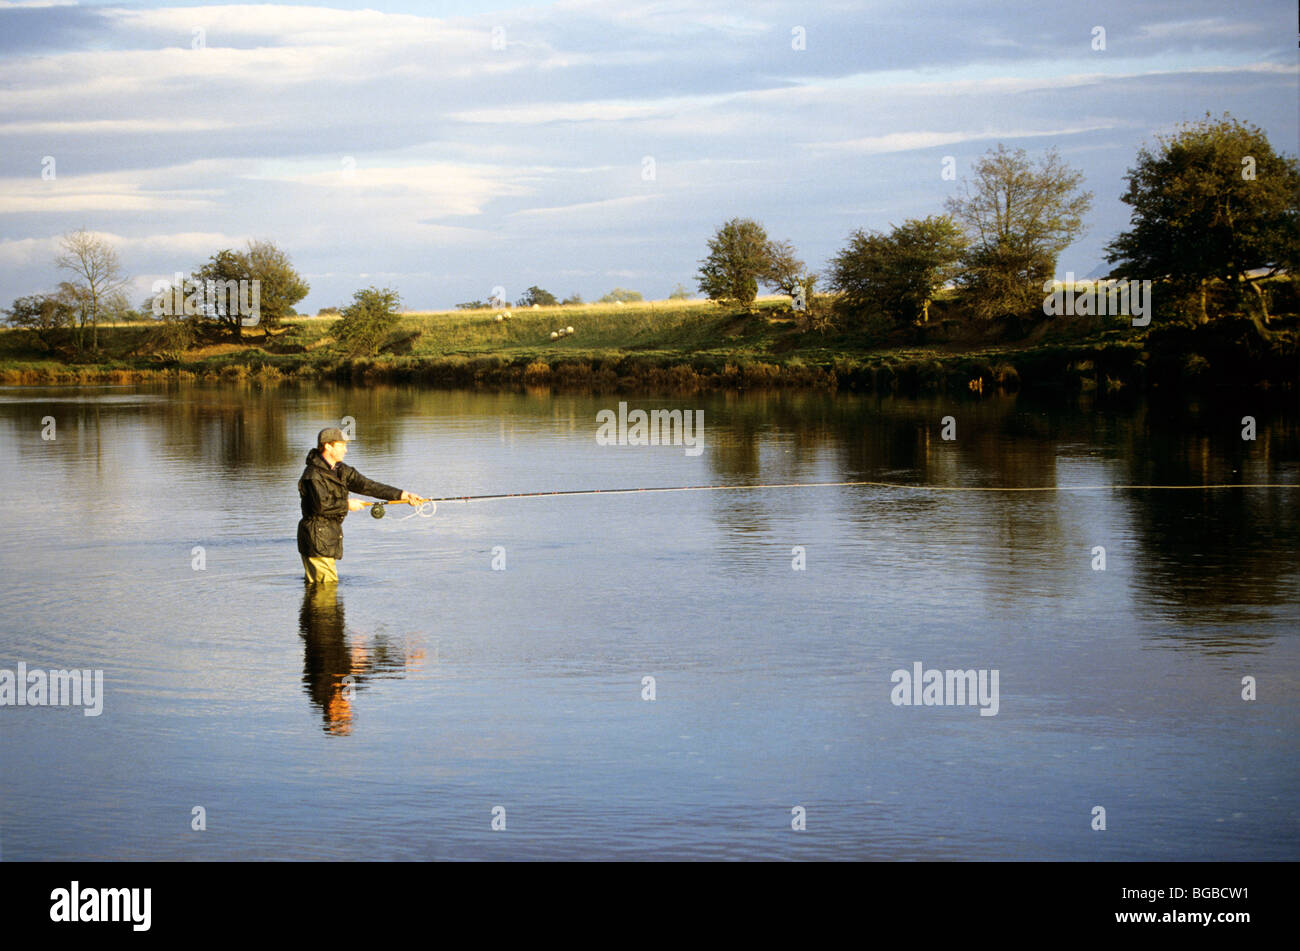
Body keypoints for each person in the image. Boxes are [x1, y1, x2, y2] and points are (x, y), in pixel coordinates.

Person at [297, 427, 425, 582]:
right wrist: (347, 504)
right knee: (326, 590)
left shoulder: (341, 470)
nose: (346, 450)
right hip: (316, 539)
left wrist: (403, 495)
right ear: (328, 446)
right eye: (342, 445)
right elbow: (321, 505)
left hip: (327, 538)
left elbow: (368, 486)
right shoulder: (313, 475)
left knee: (323, 591)